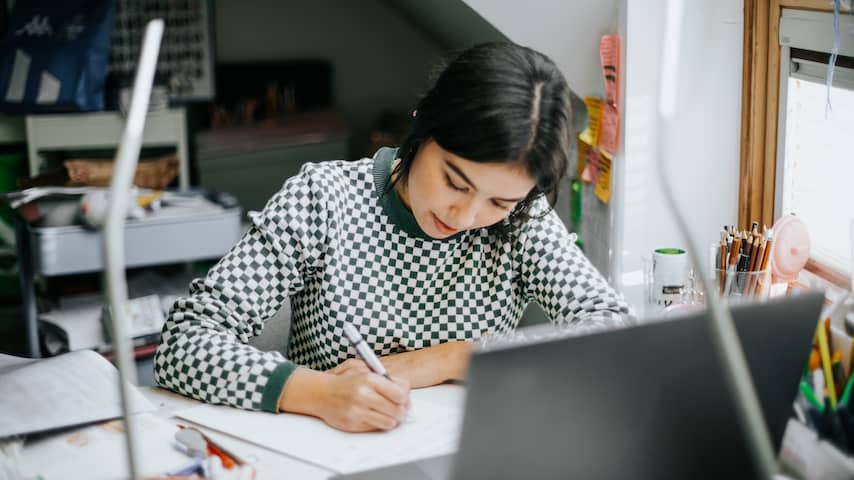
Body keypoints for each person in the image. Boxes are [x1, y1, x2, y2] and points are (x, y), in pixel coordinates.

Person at [154, 42, 634, 433]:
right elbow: (184, 342)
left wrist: (447, 359)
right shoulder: (324, 198)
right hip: (334, 452)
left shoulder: (524, 220)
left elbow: (610, 335)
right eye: (455, 182)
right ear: (421, 126)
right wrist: (317, 393)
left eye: (498, 203)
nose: (465, 215)